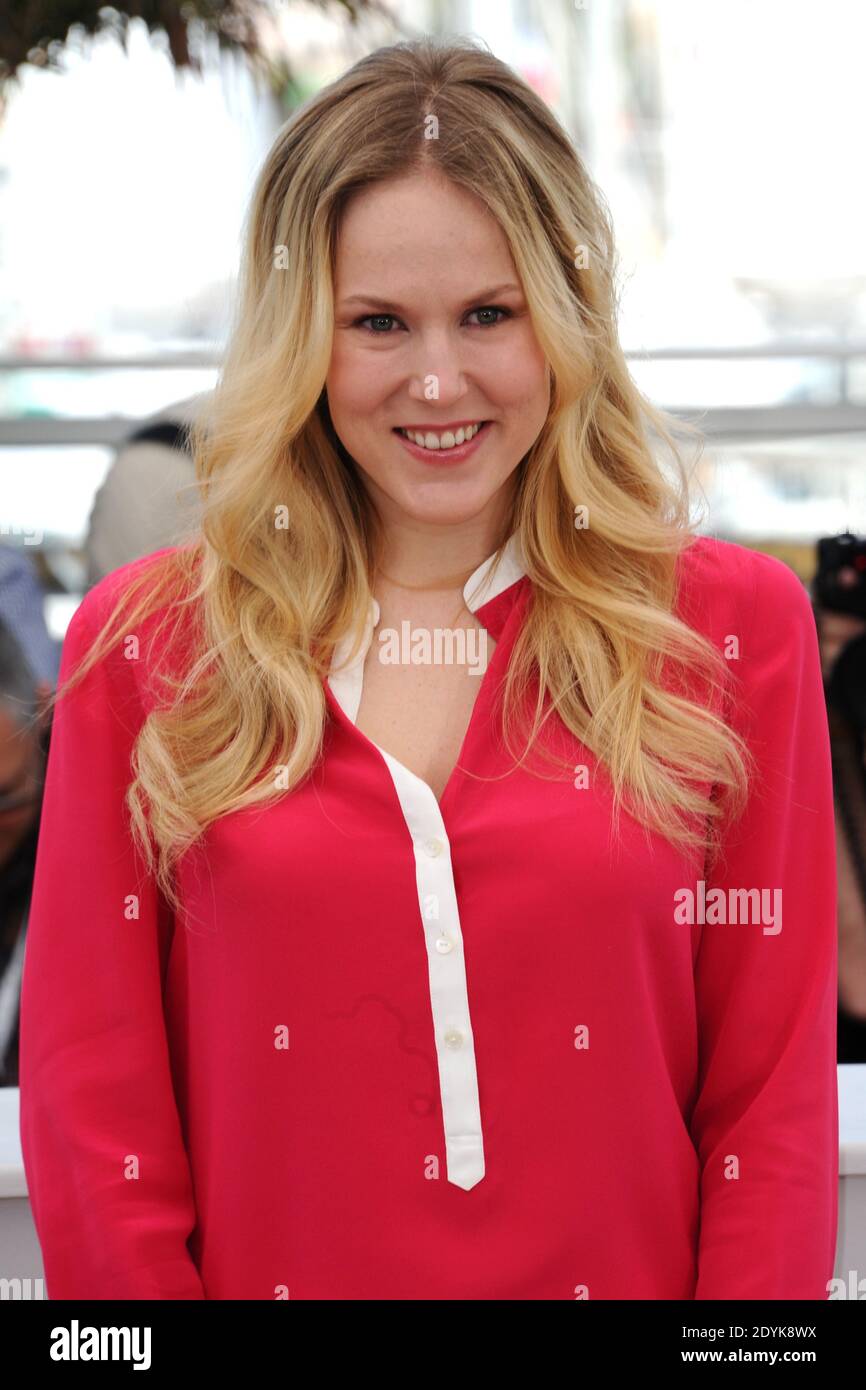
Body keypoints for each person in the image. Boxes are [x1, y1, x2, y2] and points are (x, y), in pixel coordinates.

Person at [17, 37, 838, 1300]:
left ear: (562, 319)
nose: (437, 379)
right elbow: (93, 1121)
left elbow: (765, 1110)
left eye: (489, 315)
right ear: (304, 334)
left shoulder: (729, 632)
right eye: (378, 323)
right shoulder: (148, 648)